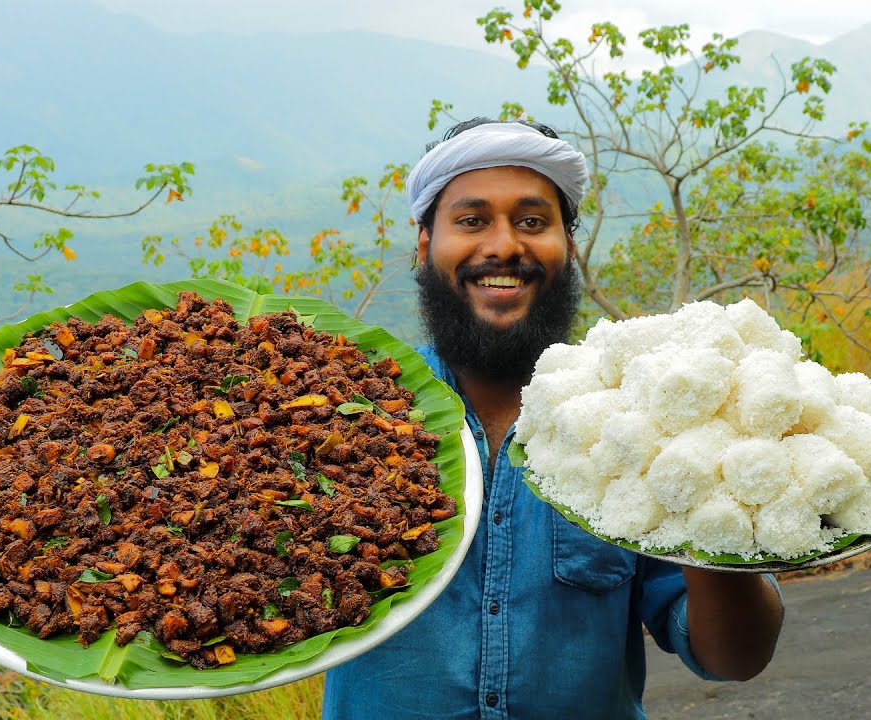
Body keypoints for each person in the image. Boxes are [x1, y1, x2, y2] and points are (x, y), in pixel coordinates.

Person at [320, 118, 784, 719]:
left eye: (533, 222)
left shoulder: (638, 421)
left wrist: (709, 504)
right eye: (471, 220)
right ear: (424, 242)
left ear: (568, 245)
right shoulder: (348, 418)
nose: (504, 245)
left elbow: (733, 658)